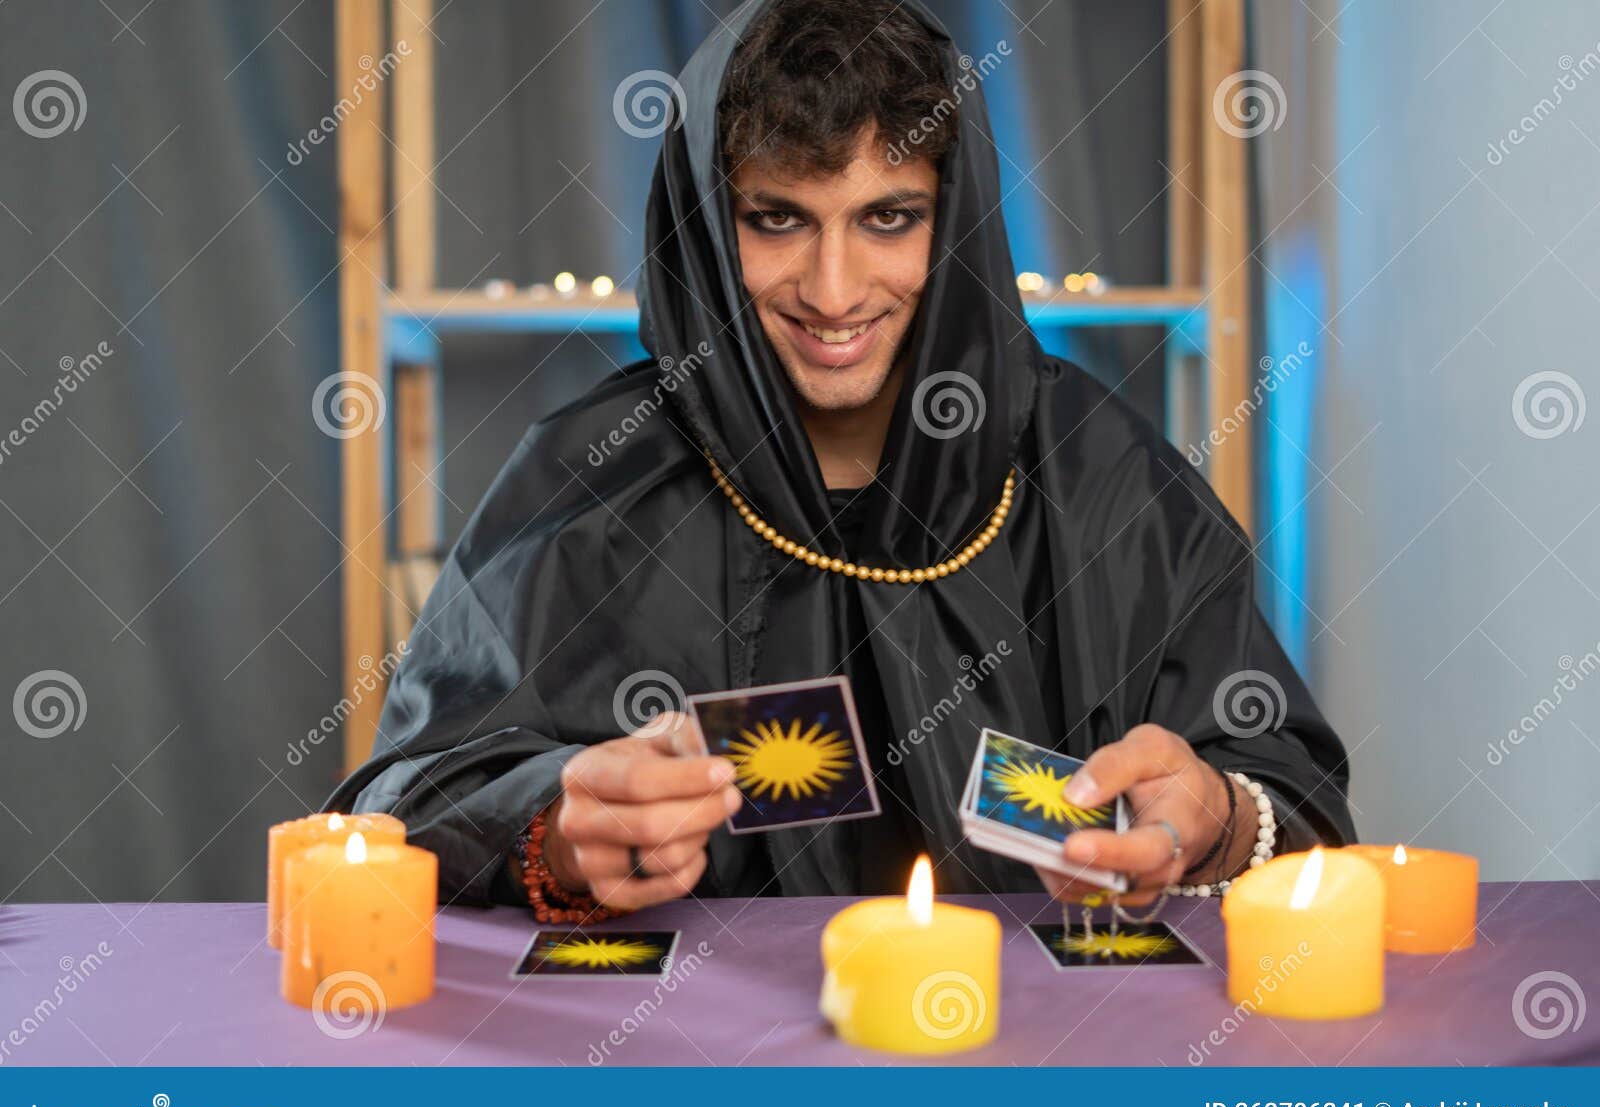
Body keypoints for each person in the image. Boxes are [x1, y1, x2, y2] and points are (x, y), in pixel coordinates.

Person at [325, 0, 1355, 920]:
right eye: (776, 219)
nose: (832, 288)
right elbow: (399, 804)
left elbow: (1291, 791)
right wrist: (553, 826)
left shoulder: (1101, 471)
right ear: (706, 230)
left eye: (888, 218)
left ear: (954, 222)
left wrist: (1217, 815)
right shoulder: (586, 475)